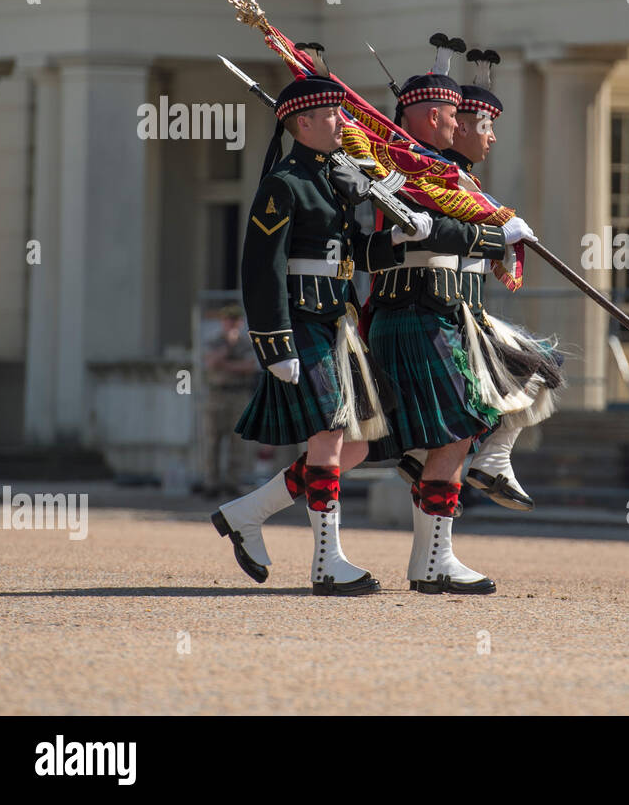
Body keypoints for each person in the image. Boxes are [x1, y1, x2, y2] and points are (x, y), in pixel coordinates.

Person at [211, 75, 430, 595]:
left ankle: (248, 512)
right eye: (333, 114)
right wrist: (273, 341)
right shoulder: (284, 183)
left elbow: (351, 253)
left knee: (359, 441)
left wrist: (396, 238)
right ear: (301, 122)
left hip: (339, 320)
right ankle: (328, 561)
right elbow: (262, 266)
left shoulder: (333, 177)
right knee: (331, 434)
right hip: (303, 321)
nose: (343, 122)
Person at [366, 35, 537, 594]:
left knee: (530, 370)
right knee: (454, 430)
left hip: (445, 311)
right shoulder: (404, 168)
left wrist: (496, 238)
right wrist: (494, 233)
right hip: (419, 309)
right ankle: (434, 557)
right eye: (453, 115)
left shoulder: (442, 173)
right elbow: (425, 227)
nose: (459, 123)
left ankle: (434, 554)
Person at [446, 48, 564, 514]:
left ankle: (493, 458)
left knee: (541, 362)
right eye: (484, 126)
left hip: (467, 310)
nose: (491, 137)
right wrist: (497, 234)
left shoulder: (463, 178)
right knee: (535, 363)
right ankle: (491, 459)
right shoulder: (437, 176)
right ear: (460, 126)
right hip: (441, 310)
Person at [199, 305, 259, 498]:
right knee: (212, 440)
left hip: (239, 394)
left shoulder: (246, 343)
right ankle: (211, 484)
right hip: (216, 395)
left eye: (235, 320)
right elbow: (210, 362)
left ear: (240, 323)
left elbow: (249, 367)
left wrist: (224, 364)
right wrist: (226, 353)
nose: (231, 324)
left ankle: (232, 483)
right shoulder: (214, 341)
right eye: (228, 320)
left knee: (237, 442)